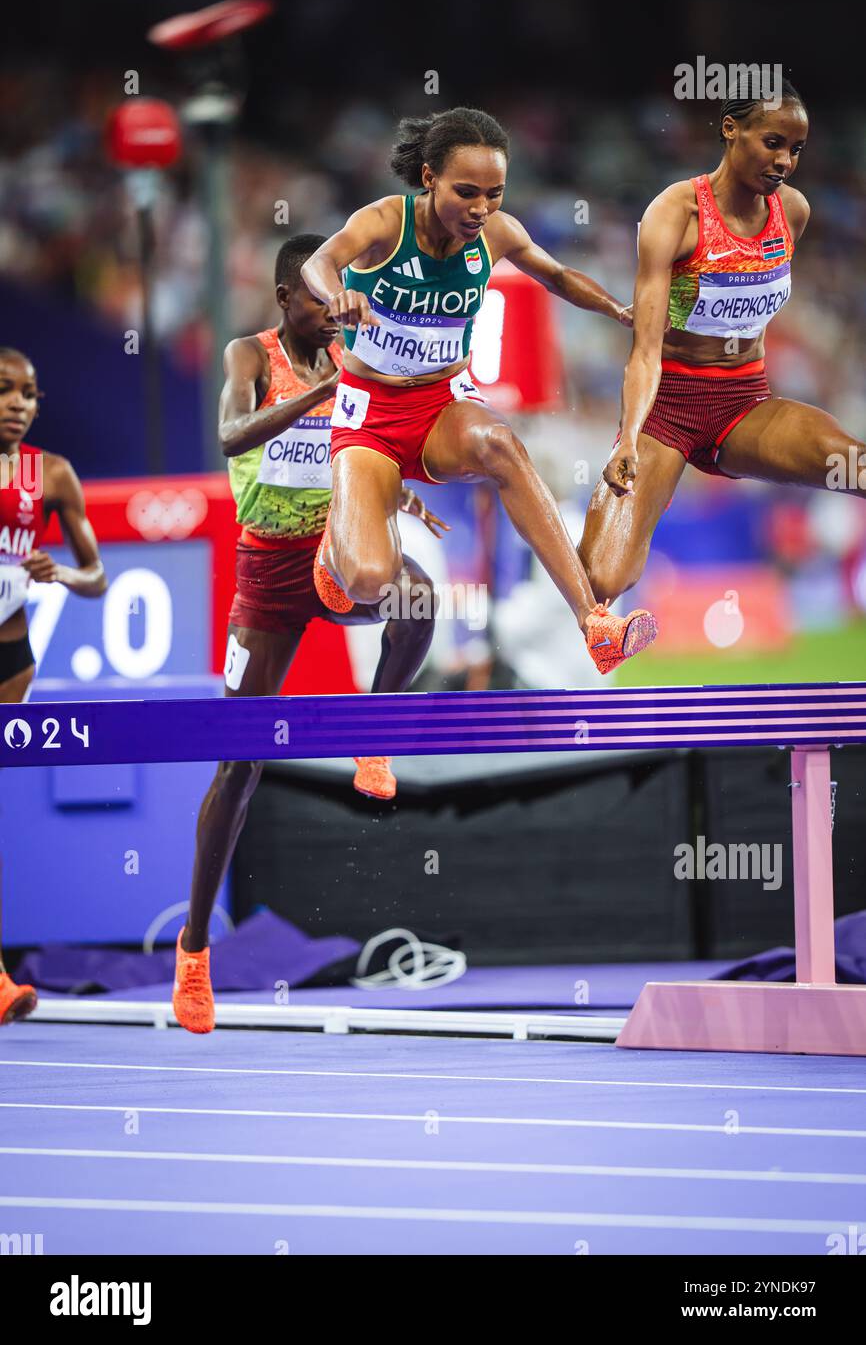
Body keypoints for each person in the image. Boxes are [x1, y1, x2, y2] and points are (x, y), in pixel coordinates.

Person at [173, 236, 442, 1034]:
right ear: (289, 296)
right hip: (264, 579)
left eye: (343, 298)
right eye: (323, 298)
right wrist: (319, 395)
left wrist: (399, 502)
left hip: (332, 555)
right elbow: (231, 435)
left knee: (418, 602)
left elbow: (366, 455)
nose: (337, 312)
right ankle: (193, 951)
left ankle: (375, 730)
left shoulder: (352, 358)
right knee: (239, 764)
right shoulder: (249, 355)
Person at [300, 107, 658, 676]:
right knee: (367, 580)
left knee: (500, 443)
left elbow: (560, 277)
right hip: (371, 418)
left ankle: (595, 624)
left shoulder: (496, 233)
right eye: (466, 192)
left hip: (441, 406)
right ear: (427, 179)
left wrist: (619, 309)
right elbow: (320, 262)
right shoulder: (384, 224)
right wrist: (334, 294)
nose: (481, 208)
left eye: (494, 193)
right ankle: (339, 549)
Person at [577, 80, 863, 605]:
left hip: (743, 404)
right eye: (773, 142)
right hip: (666, 409)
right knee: (602, 578)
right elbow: (644, 350)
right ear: (731, 130)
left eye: (796, 149)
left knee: (857, 466)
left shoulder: (792, 213)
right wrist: (630, 436)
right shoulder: (676, 214)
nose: (785, 161)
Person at [0, 346, 107, 1023]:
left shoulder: (55, 475)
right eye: (5, 390)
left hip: (12, 660)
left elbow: (96, 576)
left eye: (29, 394)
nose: (18, 403)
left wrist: (58, 575)